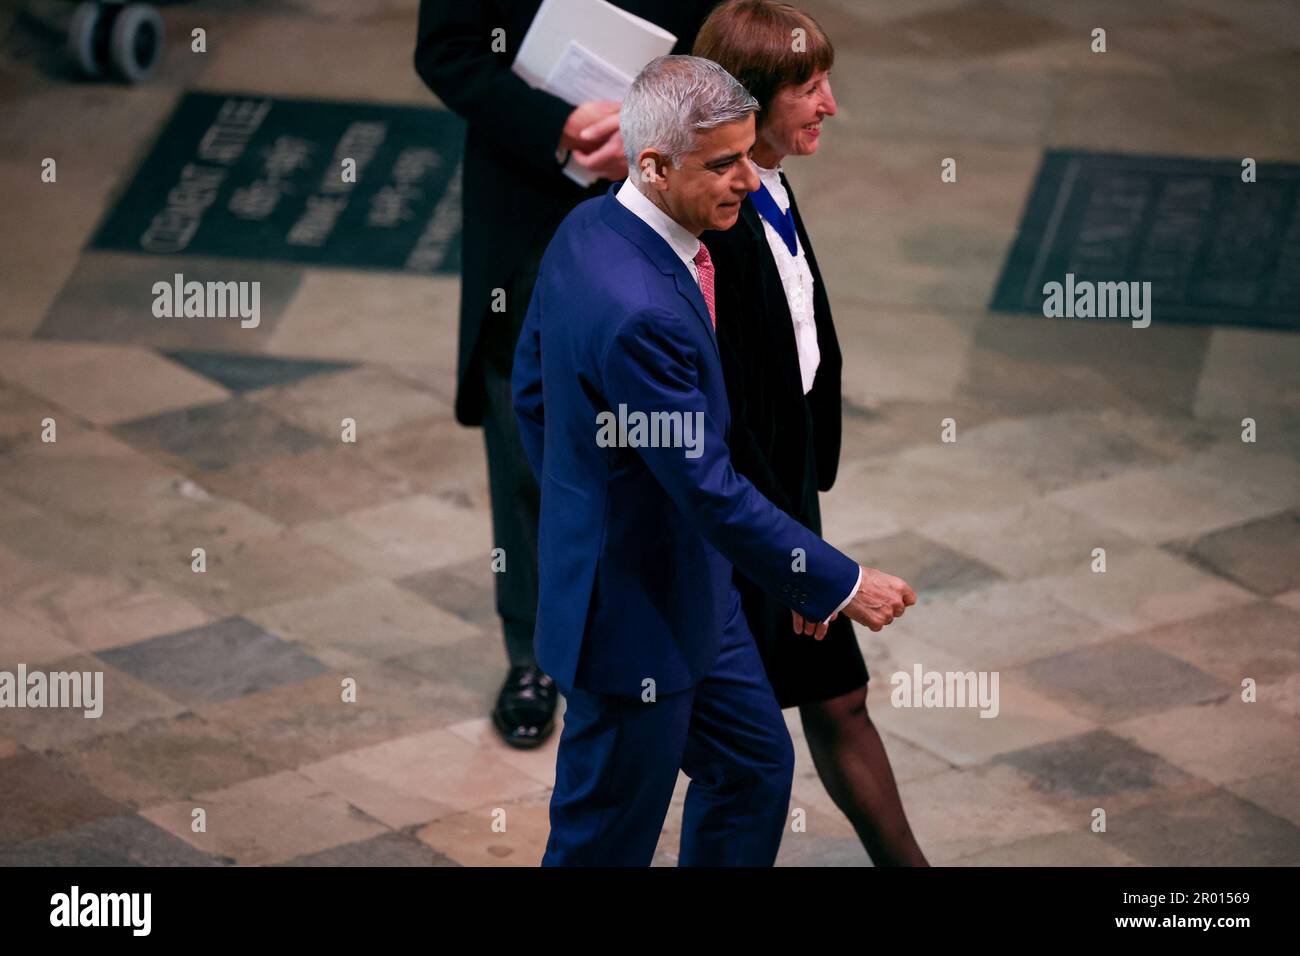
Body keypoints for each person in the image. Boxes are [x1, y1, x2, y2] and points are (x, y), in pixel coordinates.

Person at [512, 54, 916, 866]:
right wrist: (837, 580)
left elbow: (535, 395)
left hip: (702, 596)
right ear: (652, 165)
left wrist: (585, 490)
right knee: (603, 839)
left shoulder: (585, 227)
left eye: (747, 155)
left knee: (754, 769)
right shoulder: (639, 312)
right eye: (725, 164)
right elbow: (708, 485)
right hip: (630, 620)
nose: (748, 179)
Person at [414, 0, 717, 748]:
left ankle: (674, 635)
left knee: (670, 425)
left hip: (664, 192)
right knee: (525, 444)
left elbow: (731, 36)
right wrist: (555, 124)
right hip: (524, 196)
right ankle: (537, 655)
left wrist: (657, 128)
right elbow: (449, 47)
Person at [695, 0, 928, 865]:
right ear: (753, 102)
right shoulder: (722, 218)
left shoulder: (775, 187)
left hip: (787, 504)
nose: (831, 105)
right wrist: (797, 561)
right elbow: (732, 421)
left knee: (837, 701)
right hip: (749, 525)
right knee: (748, 755)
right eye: (811, 87)